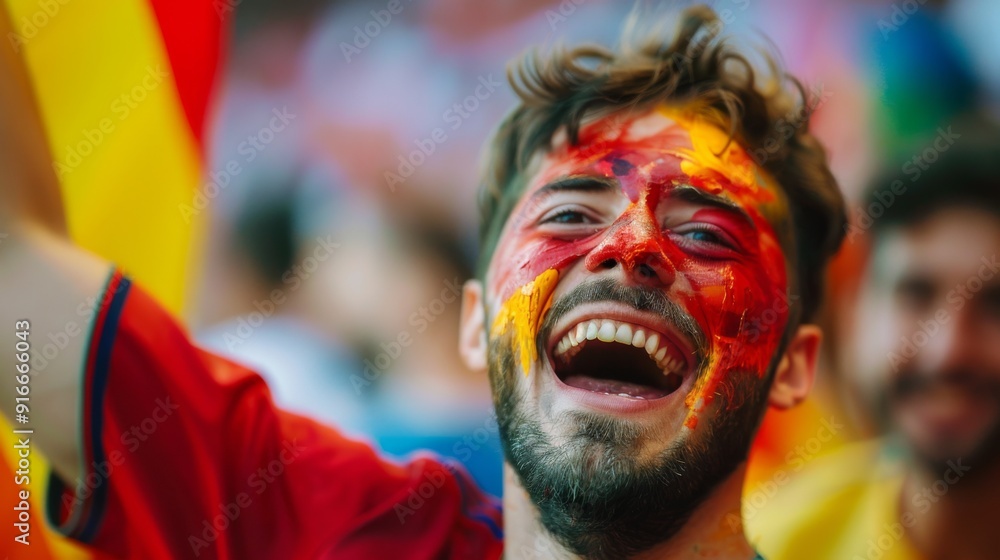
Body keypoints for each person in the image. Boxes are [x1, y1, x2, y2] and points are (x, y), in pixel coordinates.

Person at [0, 5, 845, 559]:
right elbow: (13, 277)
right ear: (474, 324)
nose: (630, 247)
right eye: (569, 216)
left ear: (798, 365)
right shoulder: (336, 529)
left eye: (704, 230)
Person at [751, 117, 1000, 560]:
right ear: (855, 316)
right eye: (915, 294)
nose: (948, 352)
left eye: (995, 306)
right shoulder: (771, 544)